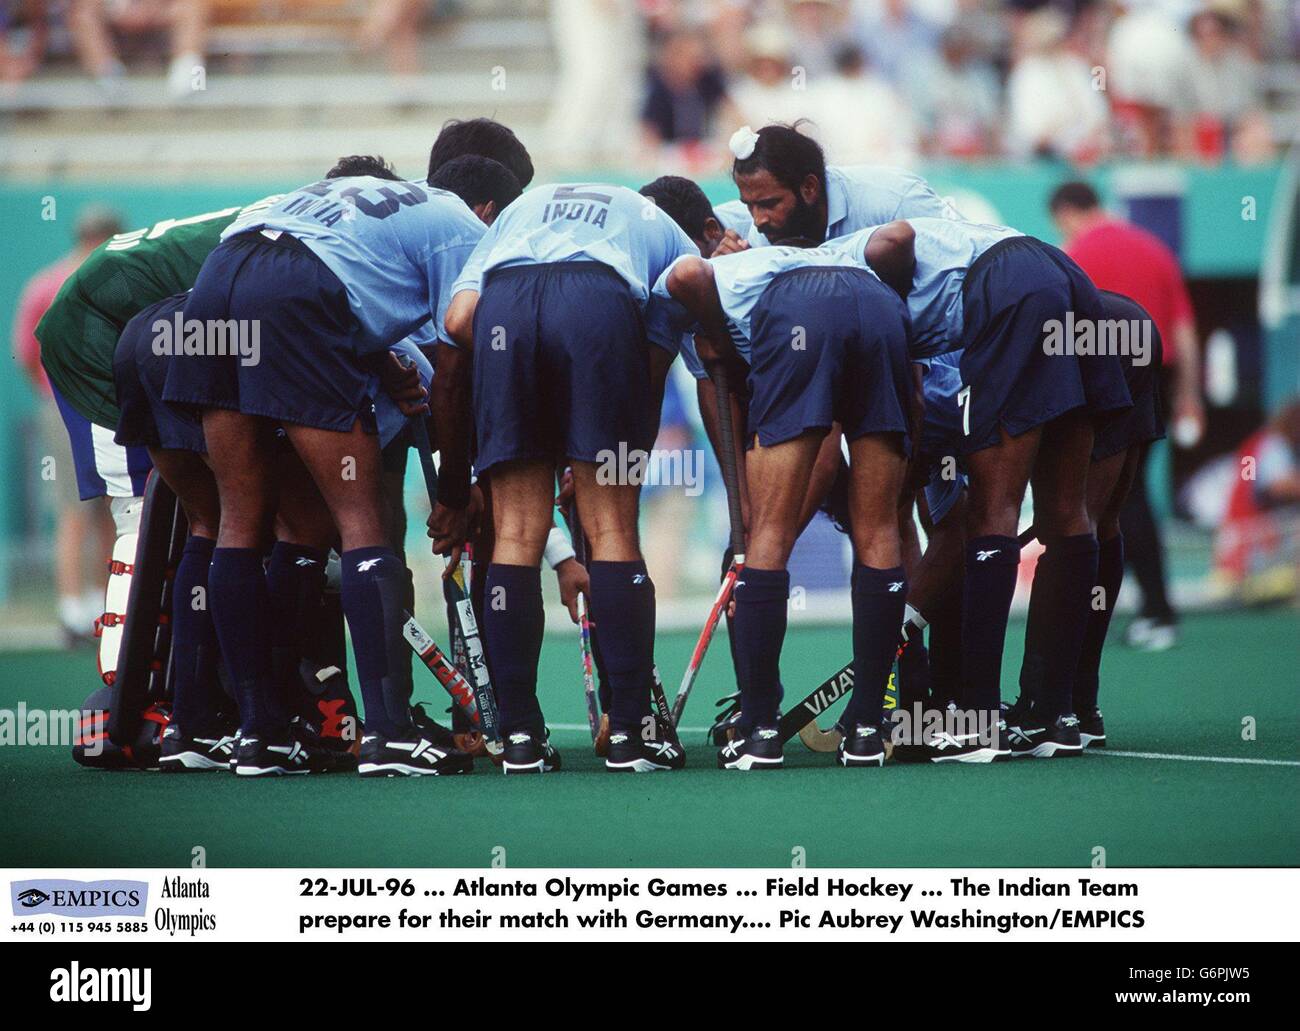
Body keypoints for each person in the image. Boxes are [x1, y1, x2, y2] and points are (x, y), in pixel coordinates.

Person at [162, 157, 521, 778]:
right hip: (299, 291)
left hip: (217, 281)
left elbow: (354, 284)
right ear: (490, 211)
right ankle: (388, 735)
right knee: (360, 521)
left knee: (237, 521)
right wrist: (460, 490)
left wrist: (381, 363)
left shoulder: (344, 196)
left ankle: (259, 736)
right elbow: (457, 370)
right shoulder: (465, 224)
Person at [438, 182, 697, 775]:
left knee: (516, 534)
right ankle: (632, 734)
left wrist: (531, 380)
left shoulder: (520, 212)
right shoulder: (656, 219)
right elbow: (680, 300)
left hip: (504, 311)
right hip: (596, 308)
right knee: (610, 529)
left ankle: (521, 740)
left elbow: (459, 320)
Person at [855, 214, 1132, 760]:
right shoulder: (887, 249)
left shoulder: (853, 278)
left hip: (1015, 292)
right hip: (1077, 287)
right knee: (1070, 513)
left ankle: (976, 719)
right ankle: (1057, 714)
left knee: (993, 509)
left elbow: (917, 421)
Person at [658, 235, 912, 770]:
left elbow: (684, 276)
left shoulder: (719, 272)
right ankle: (868, 727)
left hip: (801, 312)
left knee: (767, 532)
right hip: (881, 308)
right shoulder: (818, 250)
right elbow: (897, 240)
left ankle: (759, 729)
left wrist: (719, 338)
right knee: (881, 528)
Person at [906, 291, 1166, 757]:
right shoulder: (925, 335)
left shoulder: (921, 395)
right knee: (1092, 522)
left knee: (1003, 520)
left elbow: (951, 531)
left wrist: (900, 627)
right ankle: (1069, 713)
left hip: (1059, 341)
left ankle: (982, 720)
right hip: (1128, 326)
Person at [1049, 179, 1201, 650]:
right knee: (1127, 496)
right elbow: (1185, 330)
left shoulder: (1074, 252)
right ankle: (1147, 608)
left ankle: (1153, 610)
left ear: (1067, 212)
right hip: (1156, 377)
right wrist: (1190, 398)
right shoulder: (1154, 248)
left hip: (1106, 382)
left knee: (1116, 501)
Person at [13, 204, 124, 644]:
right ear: (107, 236)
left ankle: (79, 610)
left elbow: (26, 354)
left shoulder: (43, 283)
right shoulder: (115, 280)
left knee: (78, 508)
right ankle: (99, 607)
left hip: (61, 402)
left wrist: (50, 387)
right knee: (103, 508)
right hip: (100, 404)